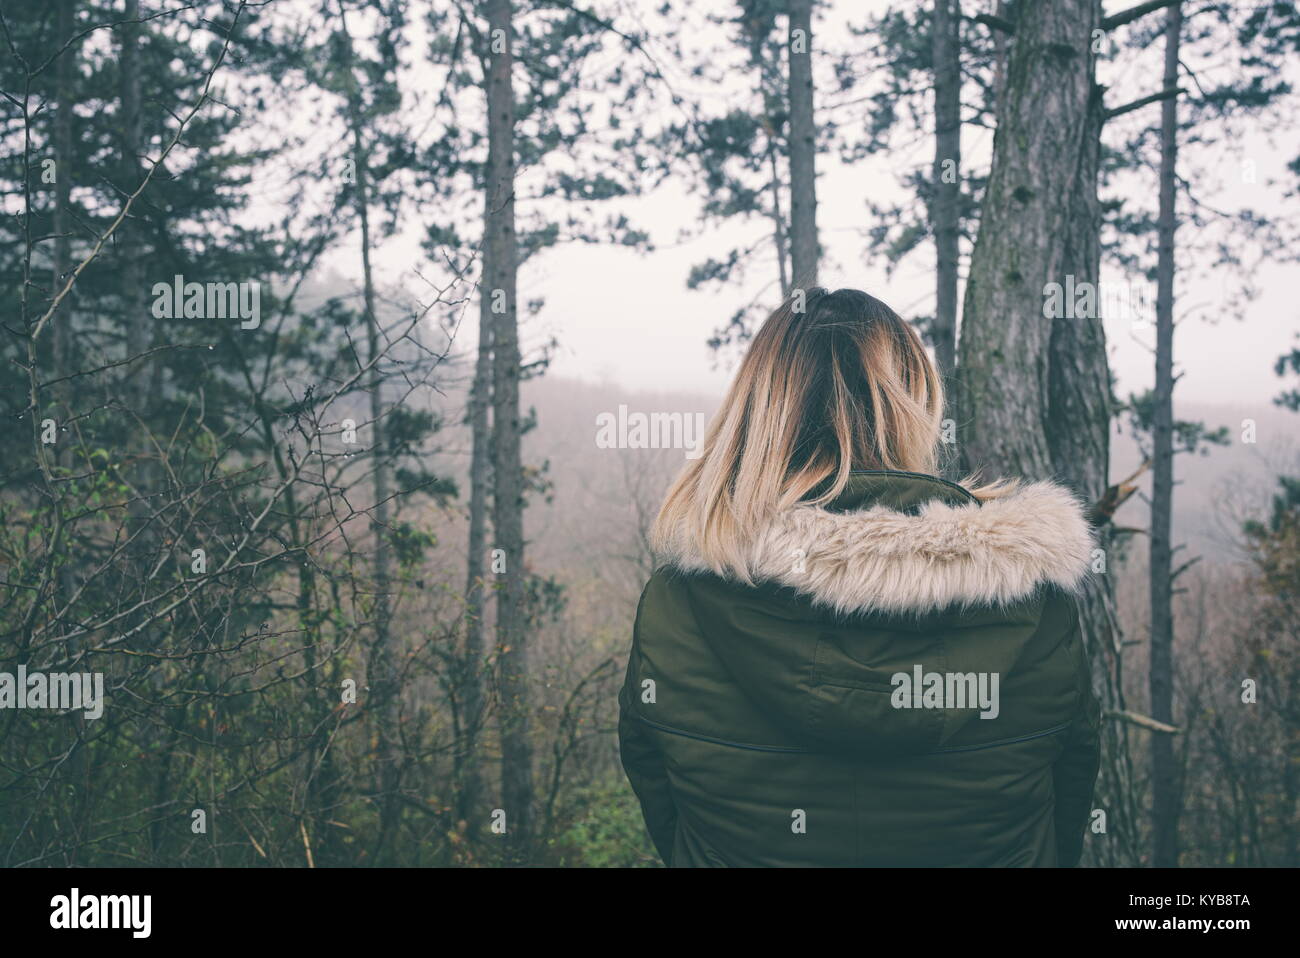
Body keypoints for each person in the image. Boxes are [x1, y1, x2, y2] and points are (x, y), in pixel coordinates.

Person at [618, 288, 1101, 867]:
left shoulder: (680, 603)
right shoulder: (1032, 602)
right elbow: (1064, 810)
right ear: (915, 404)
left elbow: (667, 812)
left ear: (755, 413)